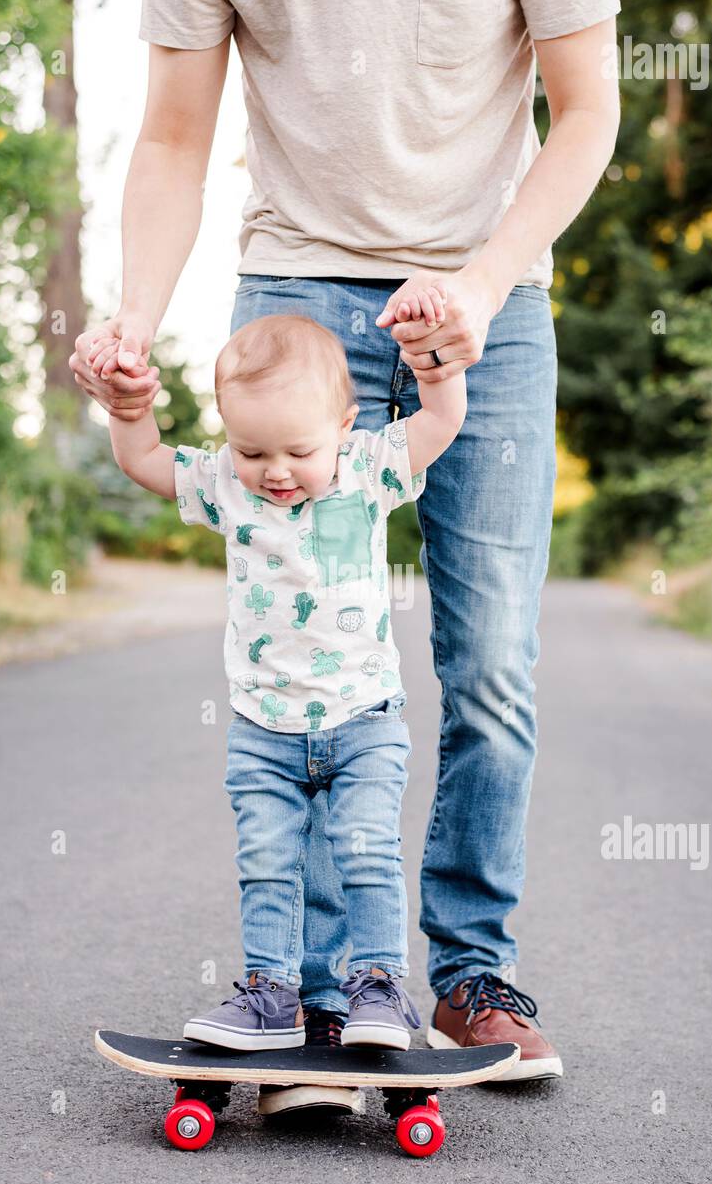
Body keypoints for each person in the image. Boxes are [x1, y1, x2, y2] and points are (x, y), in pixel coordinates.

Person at [70, 0, 622, 1106]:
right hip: (295, 284)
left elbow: (583, 110)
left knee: (489, 664)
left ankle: (472, 974)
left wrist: (476, 285)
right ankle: (320, 1002)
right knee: (303, 678)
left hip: (491, 288)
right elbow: (172, 133)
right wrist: (131, 323)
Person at [106, 294, 465, 1054]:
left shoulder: (368, 469)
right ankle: (274, 994)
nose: (275, 473)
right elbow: (142, 459)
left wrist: (433, 361)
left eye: (298, 452)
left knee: (366, 849)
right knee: (267, 865)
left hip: (365, 721)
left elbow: (440, 424)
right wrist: (128, 406)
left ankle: (377, 988)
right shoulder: (224, 485)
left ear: (344, 426)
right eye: (252, 451)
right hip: (261, 732)